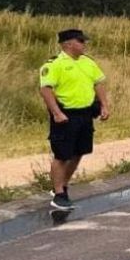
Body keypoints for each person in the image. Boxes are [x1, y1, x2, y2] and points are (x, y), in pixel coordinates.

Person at [38, 29, 111, 211]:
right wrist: (56, 112)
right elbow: (46, 89)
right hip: (65, 114)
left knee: (79, 151)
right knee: (62, 154)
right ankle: (59, 194)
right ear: (68, 44)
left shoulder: (88, 62)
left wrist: (104, 105)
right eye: (80, 41)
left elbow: (98, 83)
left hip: (85, 113)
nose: (84, 44)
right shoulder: (54, 64)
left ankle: (63, 184)